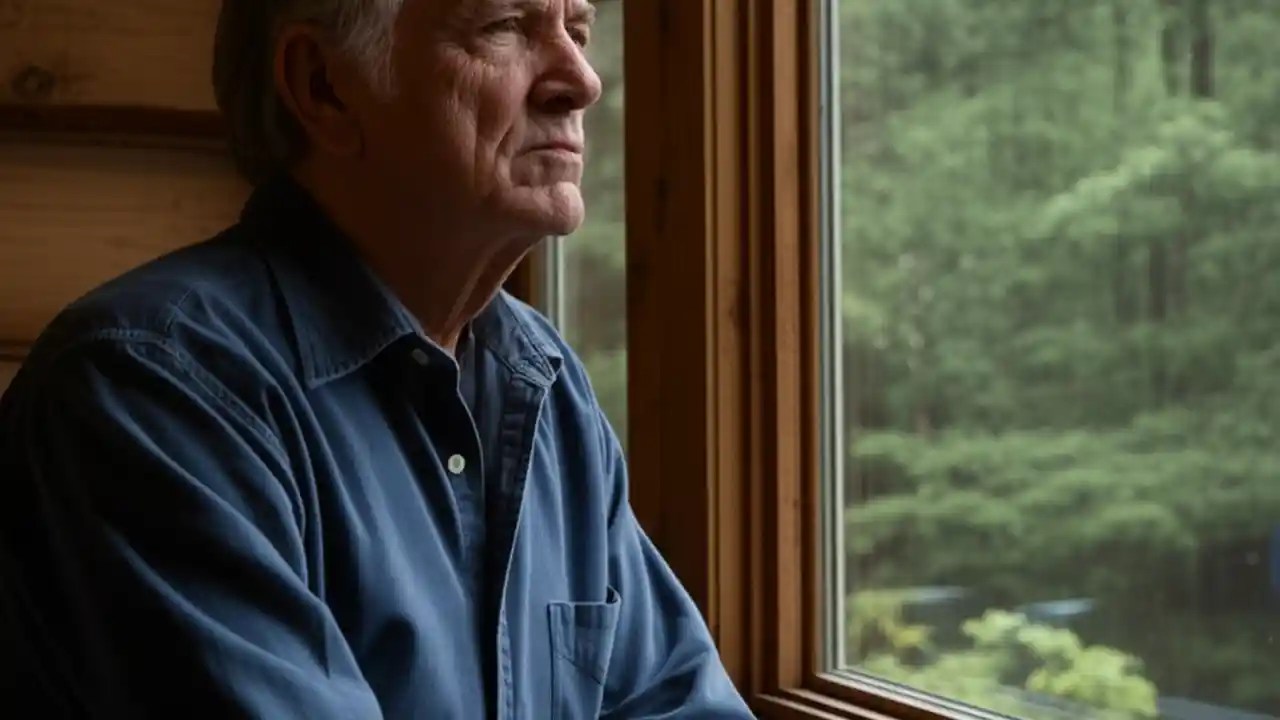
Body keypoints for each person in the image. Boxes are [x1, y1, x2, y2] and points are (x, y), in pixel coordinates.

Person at [0, 0, 754, 717]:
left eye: (577, 29)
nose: (580, 81)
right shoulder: (148, 393)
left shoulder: (547, 386)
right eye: (503, 26)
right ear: (324, 87)